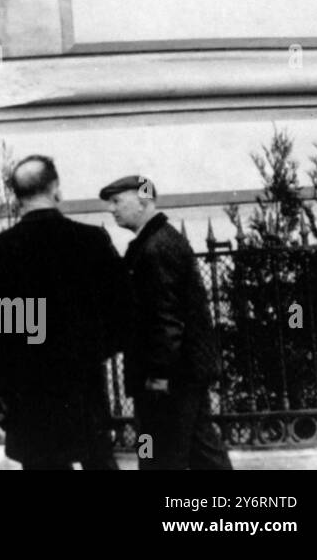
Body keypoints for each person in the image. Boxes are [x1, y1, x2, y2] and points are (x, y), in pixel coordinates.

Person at [0, 155, 130, 470]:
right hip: (82, 385)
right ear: (56, 189)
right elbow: (124, 312)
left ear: (17, 196)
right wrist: (94, 350)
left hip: (27, 393)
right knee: (98, 462)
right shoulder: (91, 241)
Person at [100, 175, 232, 471]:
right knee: (202, 450)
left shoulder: (156, 247)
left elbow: (166, 318)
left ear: (143, 200)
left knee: (159, 456)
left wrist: (159, 375)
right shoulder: (156, 241)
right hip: (183, 373)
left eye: (118, 200)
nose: (111, 209)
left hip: (168, 378)